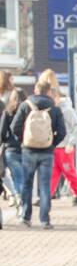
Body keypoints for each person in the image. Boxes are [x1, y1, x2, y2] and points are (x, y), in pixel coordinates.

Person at [10, 78, 66, 227]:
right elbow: (62, 132)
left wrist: (23, 140)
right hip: (47, 152)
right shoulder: (55, 108)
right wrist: (52, 143)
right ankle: (45, 219)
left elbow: (14, 127)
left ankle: (26, 217)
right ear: (49, 92)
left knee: (27, 184)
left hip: (28, 151)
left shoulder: (25, 105)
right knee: (45, 184)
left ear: (35, 91)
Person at [39, 72, 77, 207]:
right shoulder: (51, 110)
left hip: (65, 147)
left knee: (69, 171)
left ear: (56, 97)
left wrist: (71, 142)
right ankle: (47, 194)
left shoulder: (67, 110)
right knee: (52, 173)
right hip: (55, 146)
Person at [0, 87, 25, 215]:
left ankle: (19, 199)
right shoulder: (28, 111)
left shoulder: (7, 112)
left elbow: (2, 133)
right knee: (24, 178)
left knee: (17, 177)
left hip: (11, 150)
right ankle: (24, 205)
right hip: (27, 149)